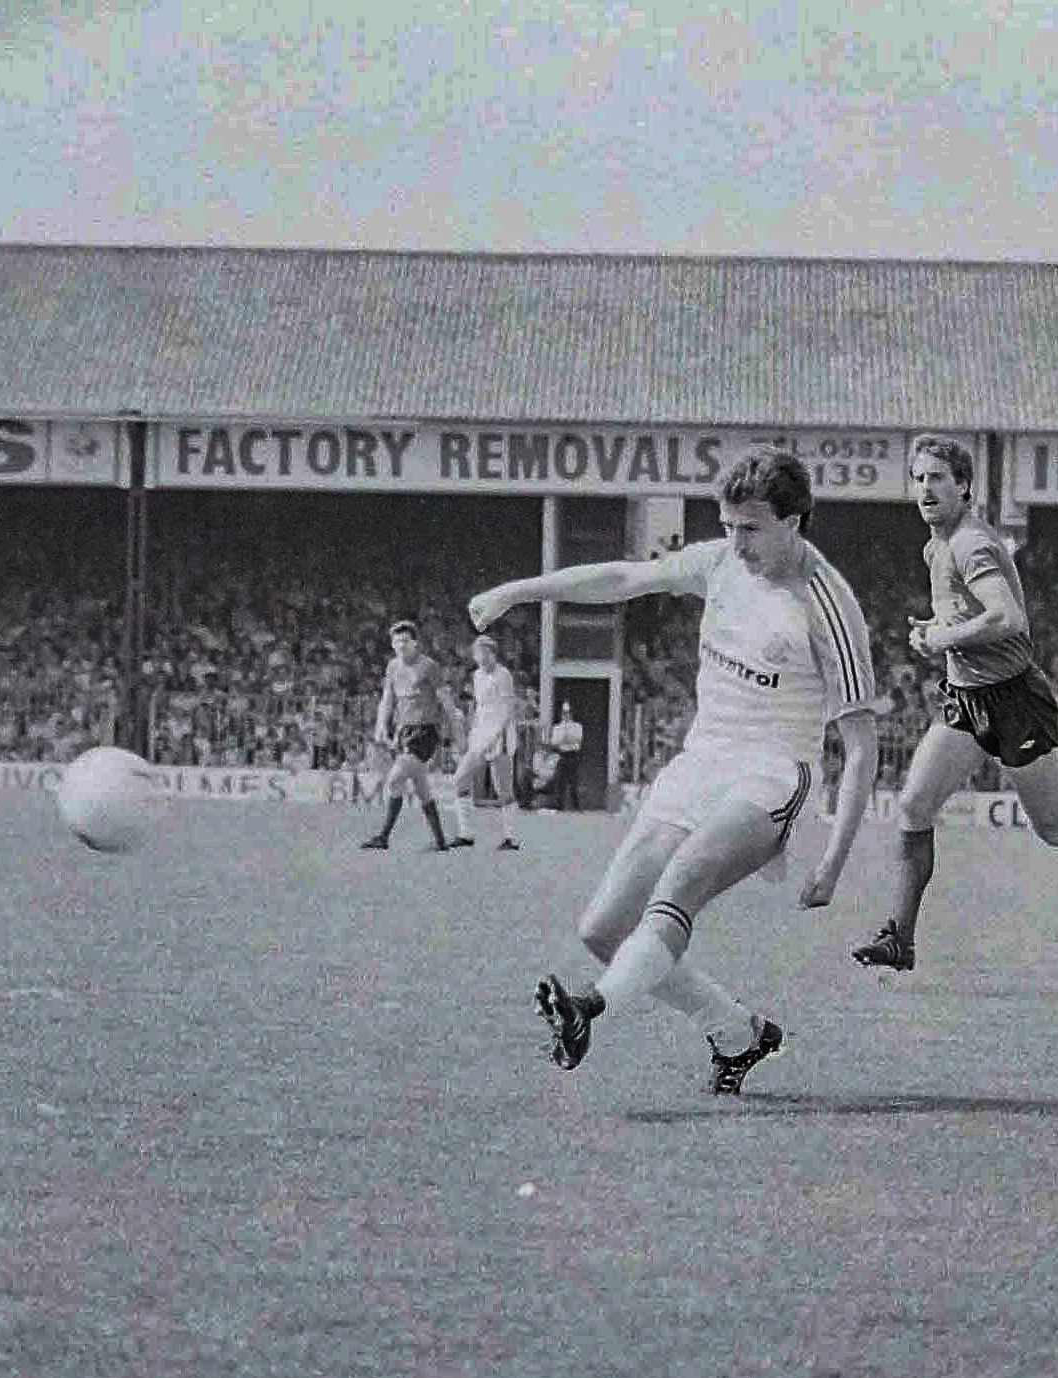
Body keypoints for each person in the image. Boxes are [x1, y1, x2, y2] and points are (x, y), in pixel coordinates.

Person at [468, 445, 879, 1094]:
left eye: (751, 528)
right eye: (728, 526)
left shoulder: (827, 603)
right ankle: (737, 1031)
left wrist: (832, 859)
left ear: (793, 522)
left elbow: (861, 745)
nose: (736, 542)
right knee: (603, 928)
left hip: (773, 772)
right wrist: (520, 592)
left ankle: (588, 1010)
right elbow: (625, 579)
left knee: (681, 880)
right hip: (701, 762)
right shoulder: (718, 564)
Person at [852, 434, 1058, 974]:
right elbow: (972, 617)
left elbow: (1008, 617)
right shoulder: (937, 545)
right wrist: (938, 630)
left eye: (937, 478)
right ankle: (899, 940)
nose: (925, 488)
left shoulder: (970, 544)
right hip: (965, 699)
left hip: (1013, 702)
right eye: (919, 478)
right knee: (913, 808)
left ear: (964, 487)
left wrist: (943, 640)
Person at [360, 620, 458, 851]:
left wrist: (456, 729)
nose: (401, 645)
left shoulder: (429, 666)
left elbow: (445, 699)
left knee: (395, 779)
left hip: (425, 730)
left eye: (405, 640)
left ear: (415, 643)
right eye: (397, 641)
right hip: (404, 730)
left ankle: (383, 836)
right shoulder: (392, 667)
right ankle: (440, 841)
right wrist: (381, 725)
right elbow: (387, 699)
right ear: (392, 644)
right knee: (420, 784)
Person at [449, 633, 522, 850]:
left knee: (503, 789)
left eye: (481, 653)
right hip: (481, 734)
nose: (478, 658)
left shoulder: (503, 675)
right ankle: (466, 834)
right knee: (459, 779)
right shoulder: (477, 676)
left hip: (501, 735)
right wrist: (473, 733)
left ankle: (512, 838)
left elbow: (508, 709)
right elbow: (479, 708)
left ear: (491, 654)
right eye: (476, 654)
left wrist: (496, 736)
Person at [547, 701, 584, 810]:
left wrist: (565, 737)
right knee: (560, 781)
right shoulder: (557, 727)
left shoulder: (578, 726)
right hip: (562, 755)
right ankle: (559, 805)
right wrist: (565, 735)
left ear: (571, 714)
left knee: (574, 781)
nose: (566, 715)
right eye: (564, 713)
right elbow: (554, 742)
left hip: (573, 755)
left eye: (568, 712)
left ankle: (576, 806)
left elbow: (578, 738)